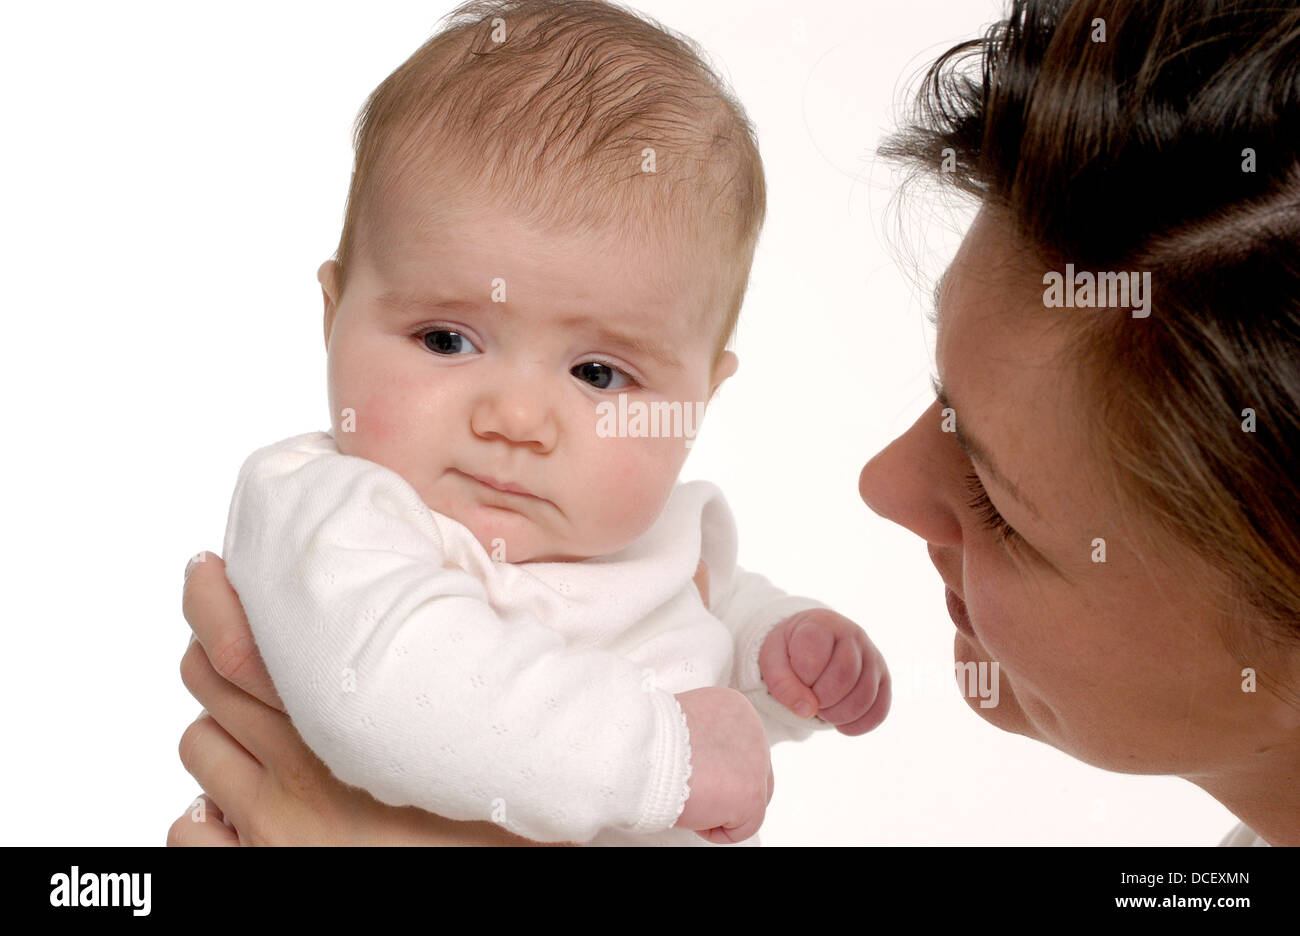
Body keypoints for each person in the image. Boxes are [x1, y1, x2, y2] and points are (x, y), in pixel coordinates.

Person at [173, 0, 1299, 846]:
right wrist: (665, 753)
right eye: (445, 340)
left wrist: (774, 651)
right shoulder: (334, 509)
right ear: (331, 315)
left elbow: (691, 636)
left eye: (600, 372)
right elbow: (404, 688)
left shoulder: (645, 537)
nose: (514, 415)